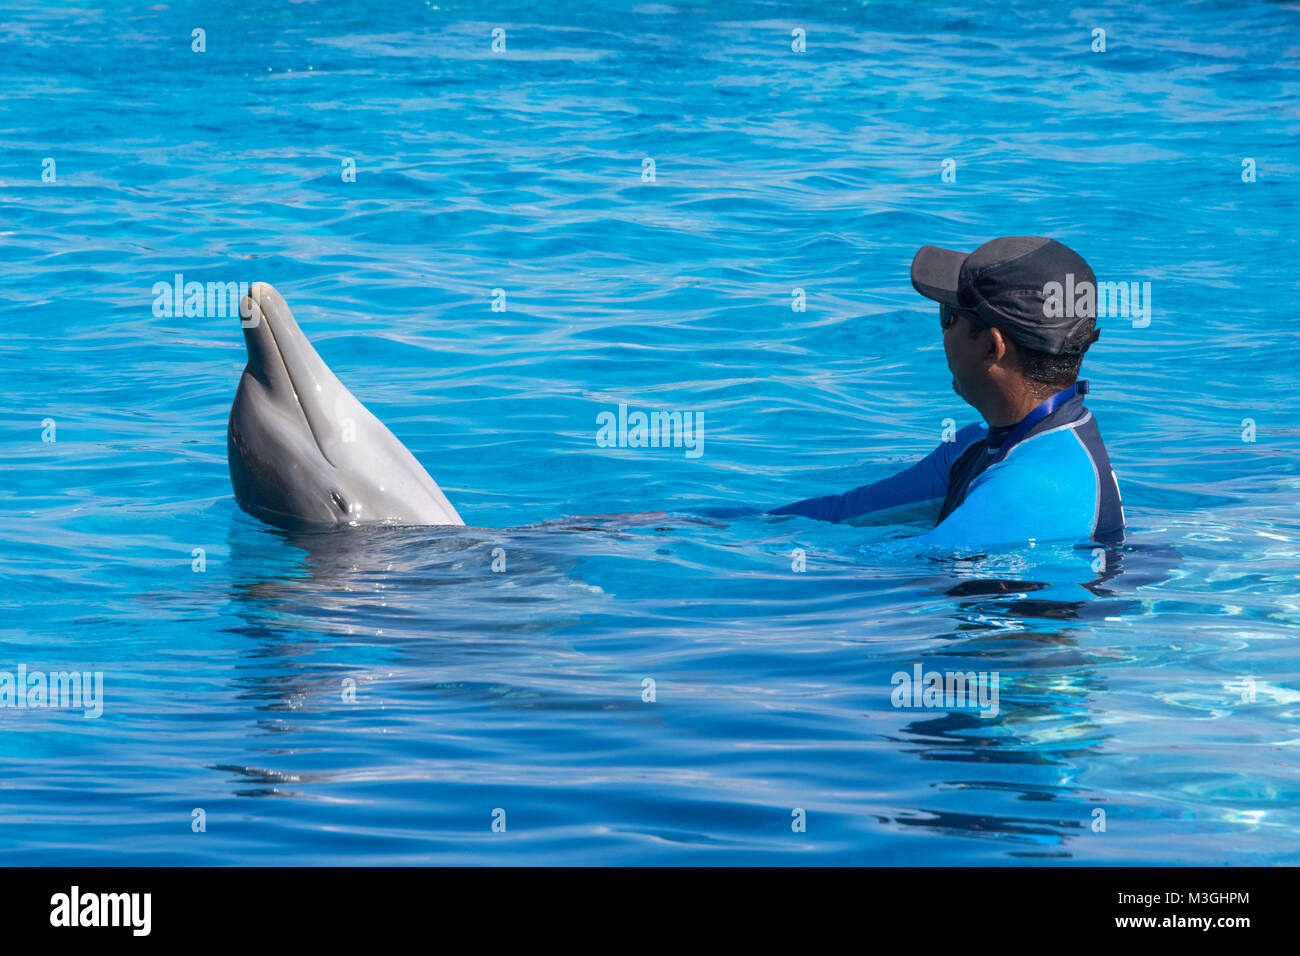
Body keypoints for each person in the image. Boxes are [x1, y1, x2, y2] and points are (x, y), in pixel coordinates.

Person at [770, 236, 1124, 549]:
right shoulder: (980, 446)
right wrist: (733, 525)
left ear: (991, 345)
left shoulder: (1033, 485)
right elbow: (846, 512)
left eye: (948, 315)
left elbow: (898, 583)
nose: (941, 332)